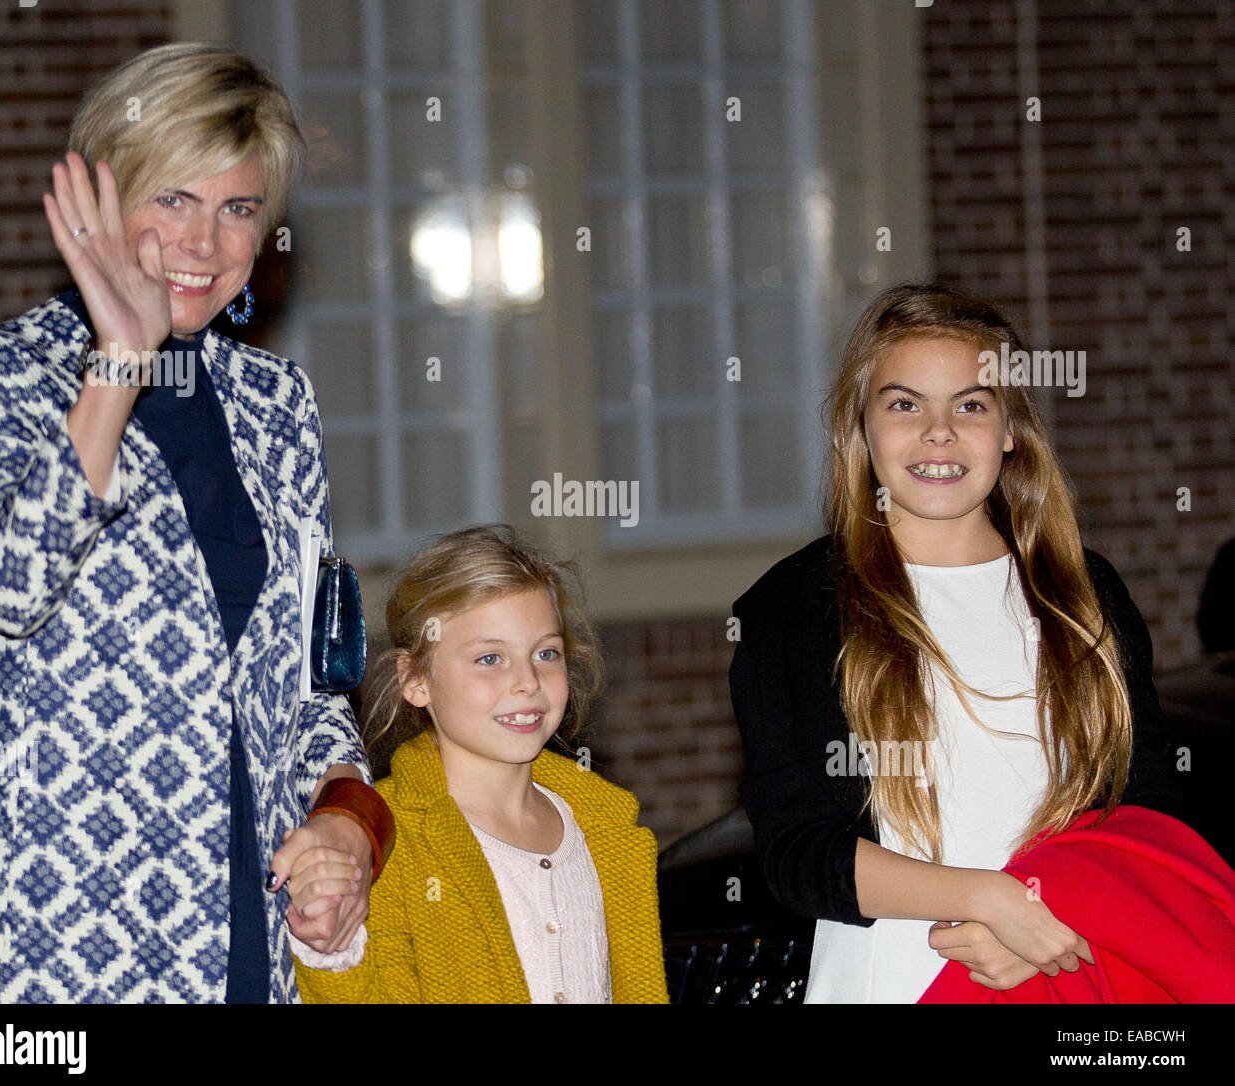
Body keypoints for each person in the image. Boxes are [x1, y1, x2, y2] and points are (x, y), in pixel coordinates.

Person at [0, 42, 390, 1003]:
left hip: (245, 933)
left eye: (238, 210)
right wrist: (118, 365)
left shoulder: (276, 404)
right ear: (104, 204)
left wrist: (349, 818)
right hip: (47, 948)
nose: (206, 243)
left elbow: (309, 681)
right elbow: (6, 592)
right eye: (173, 199)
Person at [729, 283, 1185, 1003]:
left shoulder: (1085, 591)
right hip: (888, 983)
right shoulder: (795, 606)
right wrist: (992, 901)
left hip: (1069, 970)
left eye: (971, 405)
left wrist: (1050, 922)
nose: (938, 433)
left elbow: (1153, 809)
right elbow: (798, 853)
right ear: (862, 427)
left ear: (1010, 429)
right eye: (904, 404)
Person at [289, 525, 668, 1003]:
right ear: (416, 680)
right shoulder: (386, 839)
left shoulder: (609, 832)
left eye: (545, 653)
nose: (527, 680)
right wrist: (331, 949)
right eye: (490, 658)